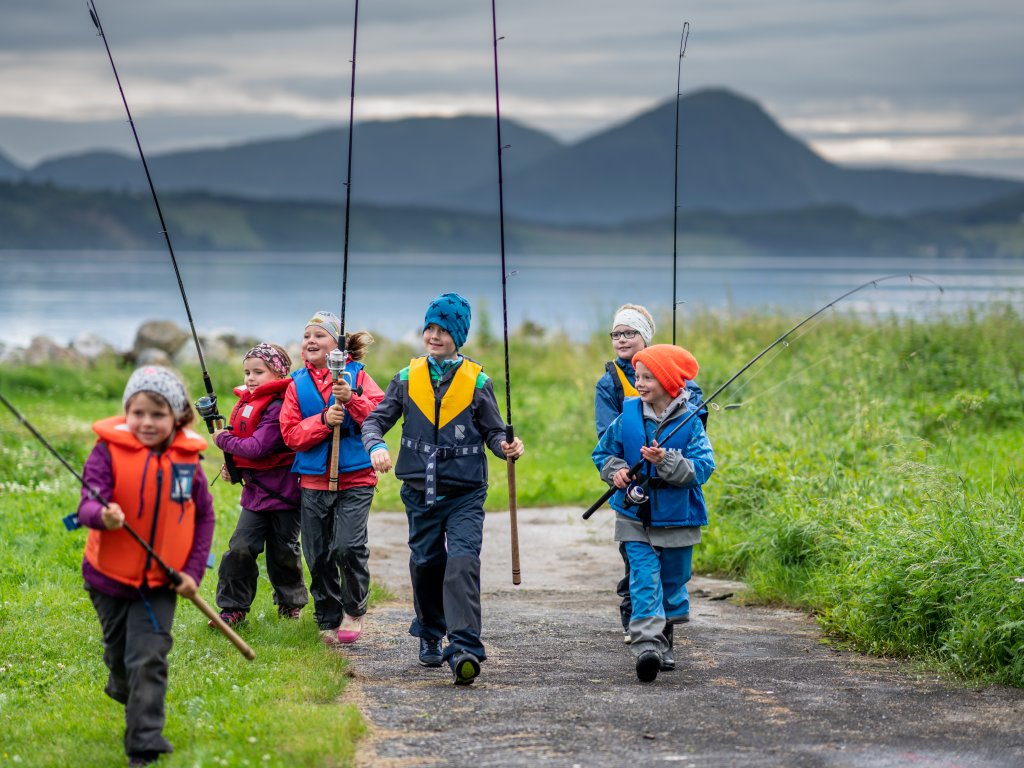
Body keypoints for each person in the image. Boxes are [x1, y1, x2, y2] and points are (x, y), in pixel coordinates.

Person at [360, 292, 524, 686]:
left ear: (458, 336)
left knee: (463, 562)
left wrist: (506, 447)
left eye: (443, 330)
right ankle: (431, 632)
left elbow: (494, 431)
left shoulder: (478, 381)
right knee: (427, 564)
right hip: (419, 491)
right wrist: (377, 446)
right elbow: (373, 423)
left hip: (466, 492)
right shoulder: (404, 379)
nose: (434, 336)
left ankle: (465, 646)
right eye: (429, 328)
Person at [77, 365, 215, 766]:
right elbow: (88, 502)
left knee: (149, 658)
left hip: (161, 584)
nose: (147, 422)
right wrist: (102, 514)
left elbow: (202, 517)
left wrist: (192, 572)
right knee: (119, 657)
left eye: (158, 414)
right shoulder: (106, 452)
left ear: (178, 416)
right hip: (108, 579)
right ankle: (121, 683)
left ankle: (144, 742)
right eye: (138, 413)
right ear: (125, 413)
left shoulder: (187, 464)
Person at [592, 344, 715, 683]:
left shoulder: (691, 422)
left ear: (668, 382)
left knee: (672, 582)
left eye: (648, 377)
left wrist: (666, 461)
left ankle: (666, 638)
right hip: (634, 515)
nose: (640, 383)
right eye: (638, 376)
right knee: (644, 579)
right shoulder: (628, 414)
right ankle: (647, 645)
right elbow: (603, 453)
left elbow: (703, 468)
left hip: (679, 517)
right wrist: (614, 470)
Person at [279, 311, 384, 645]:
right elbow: (291, 434)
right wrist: (324, 419)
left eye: (319, 335)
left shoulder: (357, 376)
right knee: (318, 553)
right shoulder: (296, 384)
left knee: (347, 547)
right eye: (307, 335)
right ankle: (328, 615)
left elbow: (379, 416)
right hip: (313, 482)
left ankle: (354, 608)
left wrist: (352, 399)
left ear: (337, 346)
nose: (311, 340)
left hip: (355, 478)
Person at [211, 343, 308, 626]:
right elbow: (244, 450)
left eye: (258, 372)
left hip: (285, 494)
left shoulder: (279, 406)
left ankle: (290, 604)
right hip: (256, 495)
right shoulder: (249, 404)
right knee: (240, 547)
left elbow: (257, 448)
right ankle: (233, 609)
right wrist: (231, 467)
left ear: (278, 373)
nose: (250, 378)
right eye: (247, 372)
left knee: (284, 551)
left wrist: (221, 439)